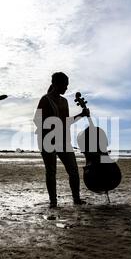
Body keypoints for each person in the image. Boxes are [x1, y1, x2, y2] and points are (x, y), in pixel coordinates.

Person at [34, 72, 89, 208]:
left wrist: (82, 115)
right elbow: (37, 120)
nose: (66, 88)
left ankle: (76, 199)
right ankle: (53, 202)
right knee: (51, 171)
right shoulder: (45, 99)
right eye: (65, 85)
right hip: (47, 140)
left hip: (63, 140)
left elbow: (67, 122)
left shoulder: (64, 101)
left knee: (73, 171)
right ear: (56, 84)